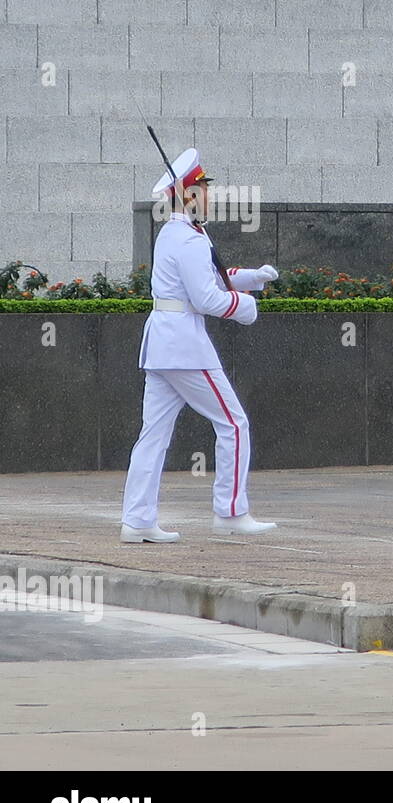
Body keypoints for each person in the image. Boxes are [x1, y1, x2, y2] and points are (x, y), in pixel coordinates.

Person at [120, 148, 278, 543]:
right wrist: (246, 307)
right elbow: (207, 299)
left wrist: (251, 277)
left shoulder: (178, 233)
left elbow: (214, 277)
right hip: (185, 346)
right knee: (234, 423)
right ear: (188, 194)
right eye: (204, 189)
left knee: (152, 435)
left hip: (162, 345)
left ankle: (137, 520)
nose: (209, 195)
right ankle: (230, 511)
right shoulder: (187, 239)